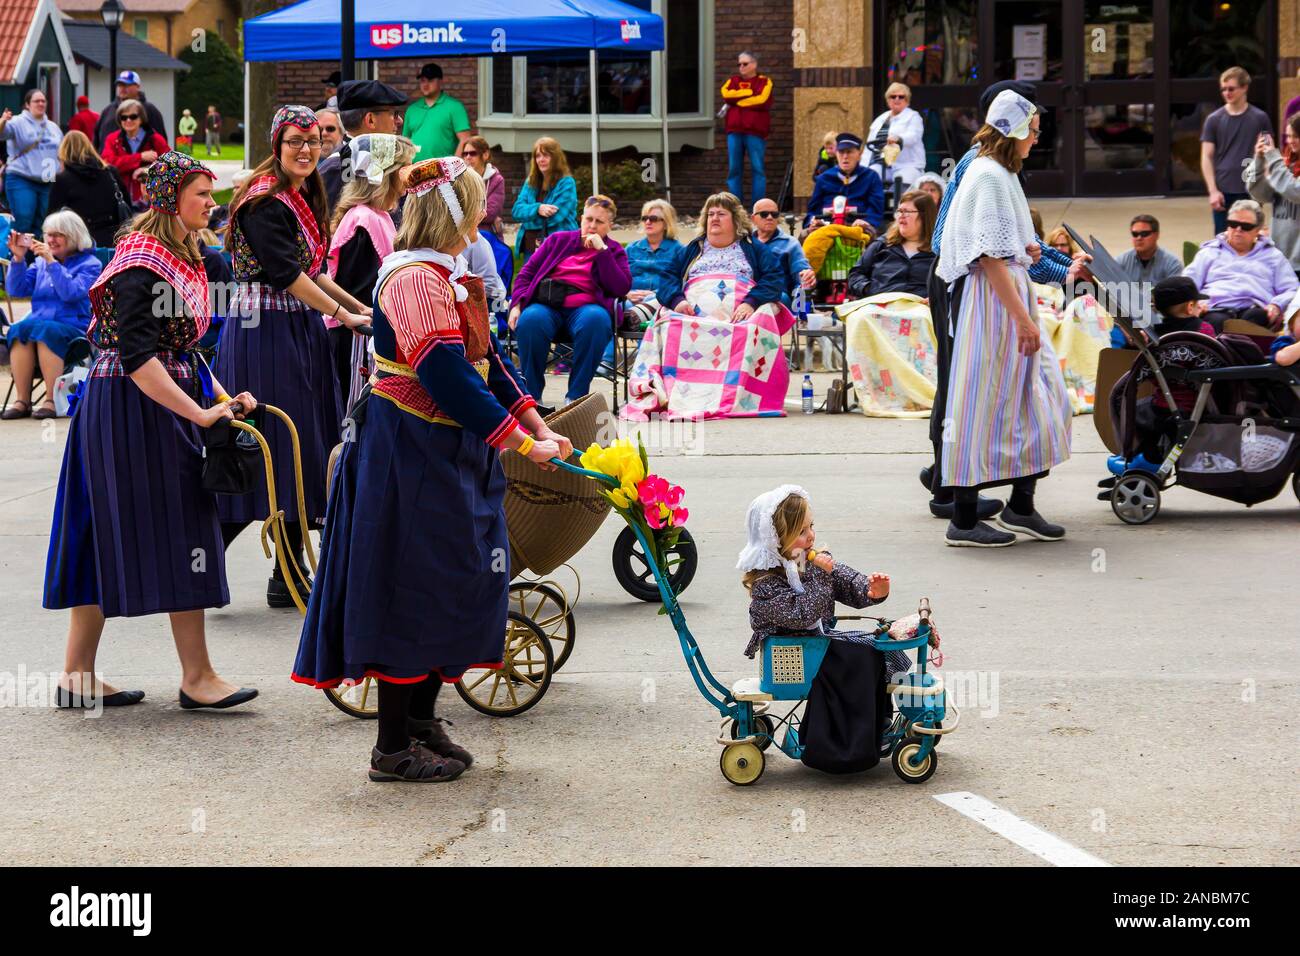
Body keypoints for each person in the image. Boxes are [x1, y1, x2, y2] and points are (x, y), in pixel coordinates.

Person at [293, 156, 571, 783]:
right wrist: (520, 444)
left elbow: (488, 363)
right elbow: (444, 375)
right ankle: (392, 745)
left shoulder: (448, 276)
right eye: (475, 203)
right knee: (411, 586)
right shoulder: (413, 281)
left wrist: (535, 421)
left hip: (445, 448)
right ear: (454, 214)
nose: (483, 213)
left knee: (454, 580)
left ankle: (420, 719)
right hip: (409, 450)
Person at [43, 152, 257, 711]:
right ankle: (196, 676)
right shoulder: (142, 263)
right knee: (184, 522)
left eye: (213, 195)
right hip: (130, 408)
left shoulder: (181, 254)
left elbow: (179, 350)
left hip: (149, 401)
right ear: (170, 200)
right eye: (203, 196)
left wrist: (219, 397)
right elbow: (139, 359)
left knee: (102, 526)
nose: (214, 205)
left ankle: (77, 673)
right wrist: (200, 413)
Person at [217, 106, 372, 608]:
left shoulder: (300, 195)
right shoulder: (263, 201)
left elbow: (312, 270)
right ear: (276, 145)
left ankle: (286, 573)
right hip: (263, 331)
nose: (306, 149)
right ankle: (208, 557)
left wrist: (358, 307)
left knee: (301, 442)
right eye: (294, 141)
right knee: (273, 441)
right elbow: (286, 274)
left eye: (312, 140)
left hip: (294, 326)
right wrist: (341, 315)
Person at [925, 79, 1084, 523]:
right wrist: (1024, 322)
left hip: (1005, 296)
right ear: (1014, 130)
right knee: (979, 401)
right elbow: (989, 256)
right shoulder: (989, 175)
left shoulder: (1004, 173)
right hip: (990, 302)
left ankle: (1020, 504)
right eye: (1033, 129)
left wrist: (1050, 261)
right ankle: (962, 515)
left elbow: (1015, 244)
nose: (1038, 137)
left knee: (1038, 397)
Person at [737, 486, 905, 773]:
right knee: (862, 655)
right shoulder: (766, 584)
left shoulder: (807, 563)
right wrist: (819, 574)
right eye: (801, 532)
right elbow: (802, 615)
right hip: (794, 656)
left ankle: (879, 718)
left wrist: (871, 590)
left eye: (811, 526)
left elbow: (844, 582)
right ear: (776, 539)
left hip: (816, 646)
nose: (811, 536)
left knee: (881, 646)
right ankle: (850, 739)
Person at [623, 193, 793, 421]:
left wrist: (751, 303)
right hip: (692, 315)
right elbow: (668, 279)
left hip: (736, 315)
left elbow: (773, 279)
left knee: (756, 324)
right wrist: (677, 301)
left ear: (735, 220)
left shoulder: (753, 248)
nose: (714, 218)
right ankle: (675, 395)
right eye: (710, 214)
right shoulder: (693, 249)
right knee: (665, 322)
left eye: (721, 214)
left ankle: (733, 396)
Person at [510, 194, 631, 402]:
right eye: (588, 219)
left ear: (609, 225)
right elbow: (526, 274)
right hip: (548, 306)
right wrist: (516, 305)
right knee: (530, 319)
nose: (592, 226)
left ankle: (576, 396)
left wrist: (602, 252)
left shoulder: (613, 251)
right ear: (581, 218)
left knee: (597, 319)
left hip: (586, 310)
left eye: (599, 221)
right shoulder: (558, 241)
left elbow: (621, 287)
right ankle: (531, 396)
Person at [327, 133, 418, 402]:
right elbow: (359, 289)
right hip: (354, 338)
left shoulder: (377, 216)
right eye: (404, 168)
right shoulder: (363, 223)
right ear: (385, 174)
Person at [2, 210, 102, 420]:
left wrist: (51, 262)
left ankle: (51, 399)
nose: (50, 239)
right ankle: (22, 400)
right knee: (19, 329)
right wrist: (19, 259)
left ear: (74, 235)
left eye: (58, 234)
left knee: (45, 330)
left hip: (73, 328)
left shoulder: (91, 264)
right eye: (48, 234)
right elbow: (16, 290)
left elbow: (71, 293)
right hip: (41, 324)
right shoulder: (39, 263)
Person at [1184, 198, 1296, 332]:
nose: (1238, 230)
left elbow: (1292, 289)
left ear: (1257, 230)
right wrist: (1196, 303)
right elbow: (1187, 283)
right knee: (1216, 322)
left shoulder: (1273, 256)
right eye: (1233, 224)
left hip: (1255, 309)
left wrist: (1276, 305)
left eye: (1246, 226)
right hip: (1215, 308)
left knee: (1254, 319)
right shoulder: (1209, 252)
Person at [1200, 67, 1274, 234]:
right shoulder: (1213, 120)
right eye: (1223, 89)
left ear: (1244, 88)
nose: (1227, 93)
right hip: (1223, 191)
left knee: (1251, 239)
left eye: (1231, 88)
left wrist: (1268, 184)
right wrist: (1212, 191)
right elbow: (1206, 156)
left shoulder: (1260, 118)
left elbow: (1270, 151)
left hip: (1251, 189)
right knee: (1223, 241)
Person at [318, 80, 407, 208]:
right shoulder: (339, 168)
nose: (399, 121)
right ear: (370, 120)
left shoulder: (340, 165)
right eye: (393, 114)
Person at [846, 190, 936, 299]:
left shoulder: (938, 252)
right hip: (879, 308)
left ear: (924, 216)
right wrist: (868, 289)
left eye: (907, 211)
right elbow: (855, 275)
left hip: (920, 310)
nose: (901, 216)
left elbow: (948, 285)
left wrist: (935, 299)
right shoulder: (882, 244)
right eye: (899, 211)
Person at [48, 131, 130, 247]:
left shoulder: (62, 179)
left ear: (63, 152)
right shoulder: (111, 172)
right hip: (115, 241)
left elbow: (52, 218)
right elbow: (127, 203)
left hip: (79, 244)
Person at [0, 90, 64, 236]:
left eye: (43, 101)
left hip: (48, 179)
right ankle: (17, 257)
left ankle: (35, 258)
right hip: (22, 178)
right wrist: (3, 120)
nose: (41, 104)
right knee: (24, 221)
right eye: (37, 101)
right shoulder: (17, 122)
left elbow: (61, 153)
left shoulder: (53, 127)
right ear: (27, 104)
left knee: (43, 224)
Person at [1245, 116, 1300, 275]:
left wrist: (1275, 160)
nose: (1291, 141)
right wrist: (1259, 160)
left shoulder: (1279, 165)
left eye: (1296, 136)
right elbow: (1259, 194)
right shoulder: (1285, 165)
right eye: (1288, 136)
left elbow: (1294, 190)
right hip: (1280, 257)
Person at [803, 132, 884, 237]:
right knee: (804, 236)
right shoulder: (824, 178)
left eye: (849, 152)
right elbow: (812, 210)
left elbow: (876, 209)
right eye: (841, 152)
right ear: (836, 154)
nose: (845, 157)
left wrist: (867, 222)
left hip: (858, 227)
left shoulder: (871, 177)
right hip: (827, 226)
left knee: (872, 239)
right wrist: (812, 222)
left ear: (859, 154)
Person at [511, 136, 579, 261]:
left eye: (546, 155)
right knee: (530, 281)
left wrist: (527, 219)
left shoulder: (566, 183)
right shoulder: (530, 182)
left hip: (560, 248)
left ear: (555, 158)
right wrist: (538, 209)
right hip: (531, 249)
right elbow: (516, 211)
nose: (541, 160)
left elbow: (555, 218)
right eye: (538, 156)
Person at [721, 51, 773, 205]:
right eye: (739, 64)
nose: (741, 67)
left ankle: (758, 207)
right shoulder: (732, 81)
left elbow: (762, 100)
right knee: (734, 170)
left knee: (758, 169)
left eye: (745, 64)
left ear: (754, 64)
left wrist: (738, 101)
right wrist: (748, 93)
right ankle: (736, 207)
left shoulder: (764, 82)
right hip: (734, 131)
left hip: (755, 132)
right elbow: (726, 94)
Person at [101, 99, 170, 207]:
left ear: (141, 118)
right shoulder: (112, 139)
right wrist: (140, 157)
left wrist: (148, 170)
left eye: (133, 116)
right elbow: (108, 164)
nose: (128, 120)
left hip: (150, 201)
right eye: (123, 117)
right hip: (120, 201)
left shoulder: (155, 139)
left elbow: (170, 165)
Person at [751, 197, 814, 307]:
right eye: (764, 214)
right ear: (753, 218)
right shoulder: (745, 242)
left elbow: (801, 271)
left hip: (777, 296)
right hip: (747, 292)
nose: (770, 217)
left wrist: (806, 275)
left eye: (774, 214)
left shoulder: (790, 243)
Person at [401, 62, 472, 160]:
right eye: (422, 80)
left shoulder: (455, 107)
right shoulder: (412, 109)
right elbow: (405, 142)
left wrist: (454, 167)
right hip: (414, 170)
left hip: (443, 172)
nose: (425, 84)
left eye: (430, 80)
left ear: (441, 81)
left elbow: (465, 139)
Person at [866, 82, 926, 196]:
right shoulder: (880, 119)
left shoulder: (913, 117)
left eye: (901, 97)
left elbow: (914, 137)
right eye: (893, 96)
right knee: (868, 177)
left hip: (906, 165)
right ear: (888, 100)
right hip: (880, 165)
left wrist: (899, 138)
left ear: (907, 100)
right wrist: (862, 167)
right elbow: (868, 147)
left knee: (901, 183)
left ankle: (896, 210)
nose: (897, 99)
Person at [94, 71, 168, 149]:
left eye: (127, 85)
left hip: (143, 159)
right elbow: (97, 138)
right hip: (108, 159)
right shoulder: (108, 110)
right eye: (120, 85)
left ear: (138, 86)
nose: (122, 88)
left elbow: (161, 141)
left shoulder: (149, 110)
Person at [461, 135, 504, 235]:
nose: (468, 157)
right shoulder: (460, 179)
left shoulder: (497, 180)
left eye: (473, 153)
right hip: (463, 235)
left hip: (487, 235)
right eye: (465, 153)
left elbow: (490, 213)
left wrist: (464, 213)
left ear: (485, 155)